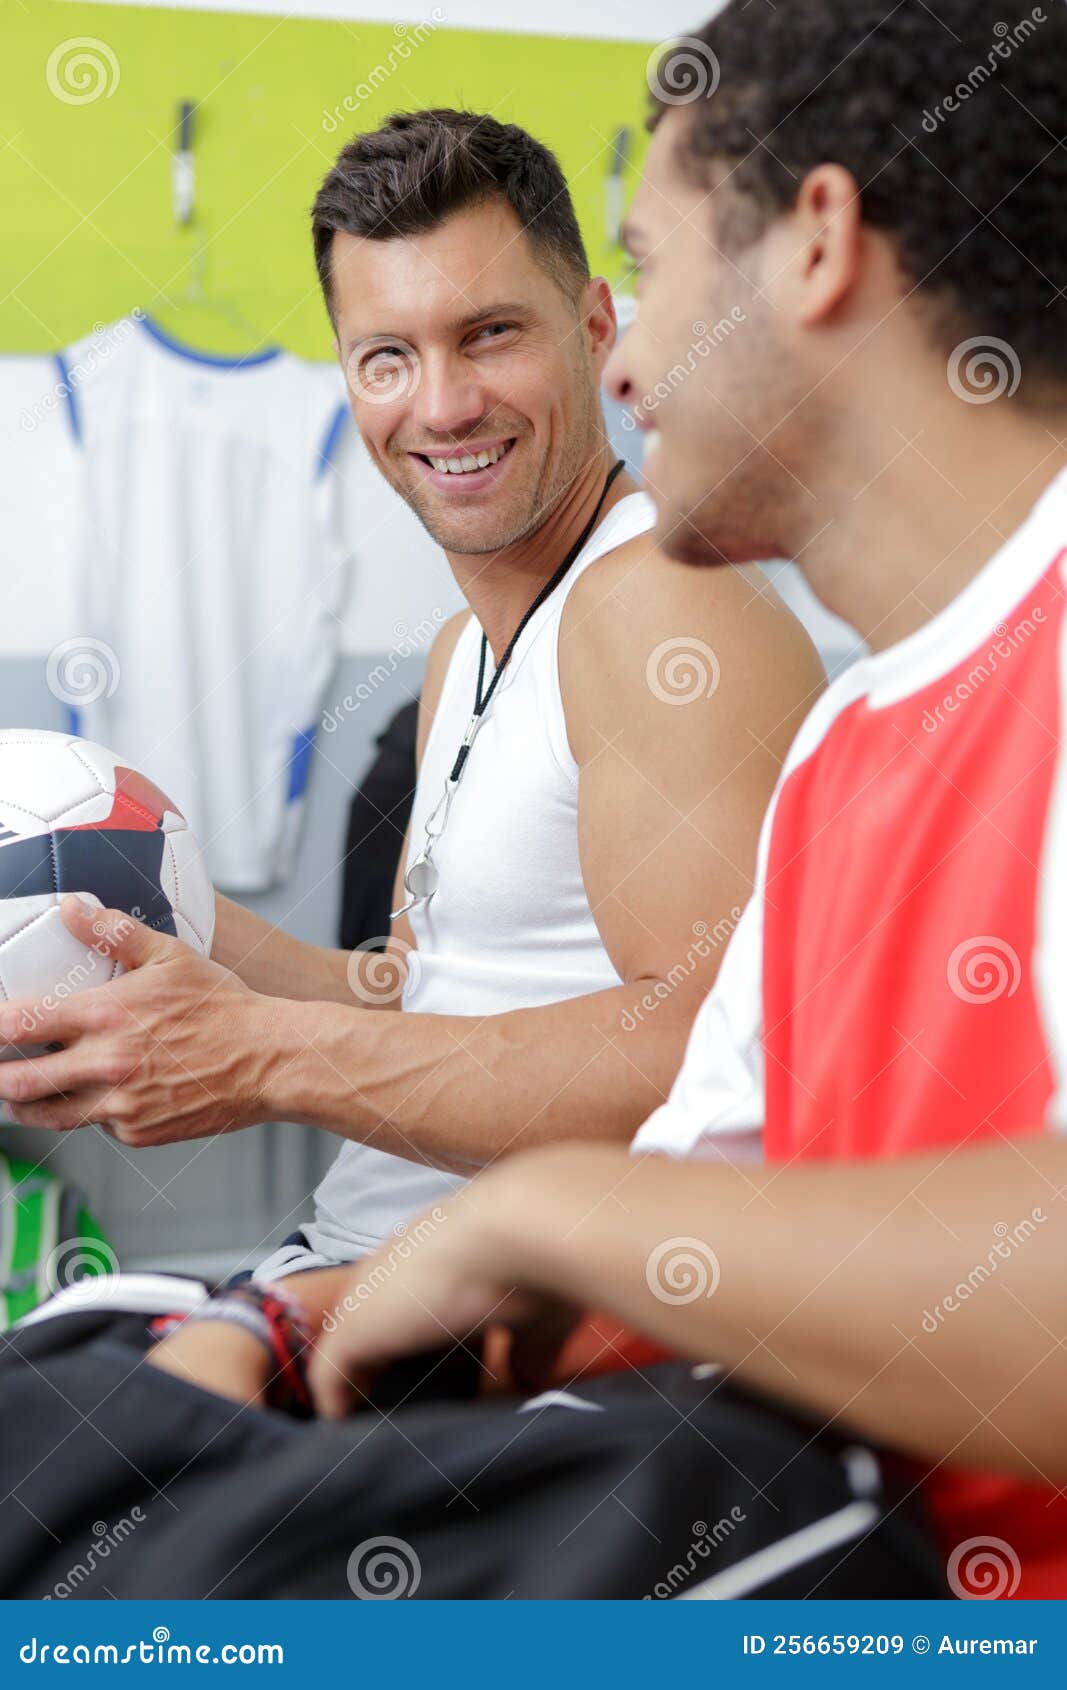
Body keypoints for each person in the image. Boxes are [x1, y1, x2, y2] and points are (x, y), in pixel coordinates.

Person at [273, 0, 1067, 1597]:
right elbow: (701, 1227)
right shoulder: (842, 749)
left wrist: (544, 1214)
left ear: (812, 244)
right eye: (390, 356)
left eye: (649, 267)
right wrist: (281, 1329)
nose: (625, 362)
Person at [0, 111, 822, 1282]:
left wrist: (262, 1057)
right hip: (346, 1260)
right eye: (387, 356)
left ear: (595, 328)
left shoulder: (661, 608)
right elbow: (416, 998)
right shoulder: (459, 650)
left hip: (486, 1319)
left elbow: (706, 1048)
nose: (440, 407)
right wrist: (123, 890)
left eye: (489, 334)